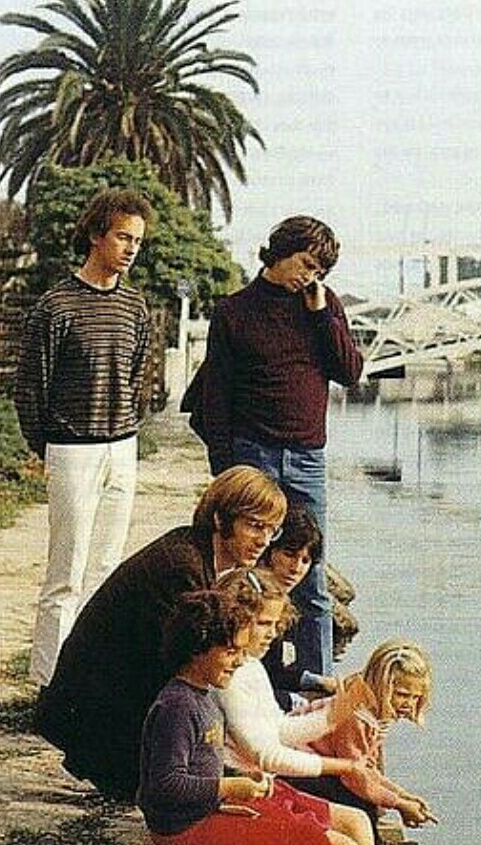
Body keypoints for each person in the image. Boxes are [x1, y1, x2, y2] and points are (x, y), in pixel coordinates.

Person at [137, 587, 448, 845]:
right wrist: (228, 788)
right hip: (181, 829)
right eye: (231, 651)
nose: (238, 661)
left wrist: (238, 780)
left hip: (206, 809)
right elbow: (161, 788)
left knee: (304, 818)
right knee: (303, 838)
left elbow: (204, 766)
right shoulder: (178, 706)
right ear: (198, 649)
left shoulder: (202, 694)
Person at [35, 465, 286, 802]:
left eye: (272, 530)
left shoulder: (202, 555)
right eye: (254, 526)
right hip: (94, 705)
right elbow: (192, 661)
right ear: (220, 519)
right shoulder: (183, 568)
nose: (264, 541)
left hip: (114, 694)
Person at [184, 214, 364, 683]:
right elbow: (217, 394)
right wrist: (225, 471)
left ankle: (317, 690)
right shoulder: (235, 310)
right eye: (306, 264)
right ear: (281, 251)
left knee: (312, 581)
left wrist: (323, 312)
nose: (310, 276)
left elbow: (350, 371)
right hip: (252, 454)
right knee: (249, 574)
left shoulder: (322, 309)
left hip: (306, 459)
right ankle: (252, 686)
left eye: (320, 271)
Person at [212, 568, 426, 845]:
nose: (274, 634)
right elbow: (265, 754)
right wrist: (341, 765)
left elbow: (278, 730)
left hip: (260, 780)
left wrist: (334, 714)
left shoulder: (250, 667)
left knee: (356, 820)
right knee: (344, 832)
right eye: (265, 624)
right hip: (244, 785)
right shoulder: (230, 676)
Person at [15, 188, 155, 687]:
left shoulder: (136, 307)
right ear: (97, 235)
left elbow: (140, 376)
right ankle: (48, 682)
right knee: (66, 573)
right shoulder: (57, 306)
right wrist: (47, 448)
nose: (132, 248)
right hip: (72, 449)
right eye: (123, 236)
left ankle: (88, 679)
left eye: (138, 239)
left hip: (122, 447)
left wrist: (128, 431)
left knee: (105, 569)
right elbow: (30, 387)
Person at [290, 639, 438, 837]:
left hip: (326, 762)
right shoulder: (356, 717)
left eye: (415, 697)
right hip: (292, 765)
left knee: (367, 796)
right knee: (357, 801)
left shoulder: (374, 711)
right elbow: (355, 776)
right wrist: (399, 804)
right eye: (402, 694)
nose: (408, 704)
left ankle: (375, 844)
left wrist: (402, 795)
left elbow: (368, 767)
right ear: (380, 685)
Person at [259, 505, 326, 708]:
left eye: (305, 560)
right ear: (270, 551)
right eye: (289, 554)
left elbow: (271, 671)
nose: (296, 568)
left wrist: (321, 682)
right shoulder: (256, 600)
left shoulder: (282, 601)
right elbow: (257, 686)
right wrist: (302, 703)